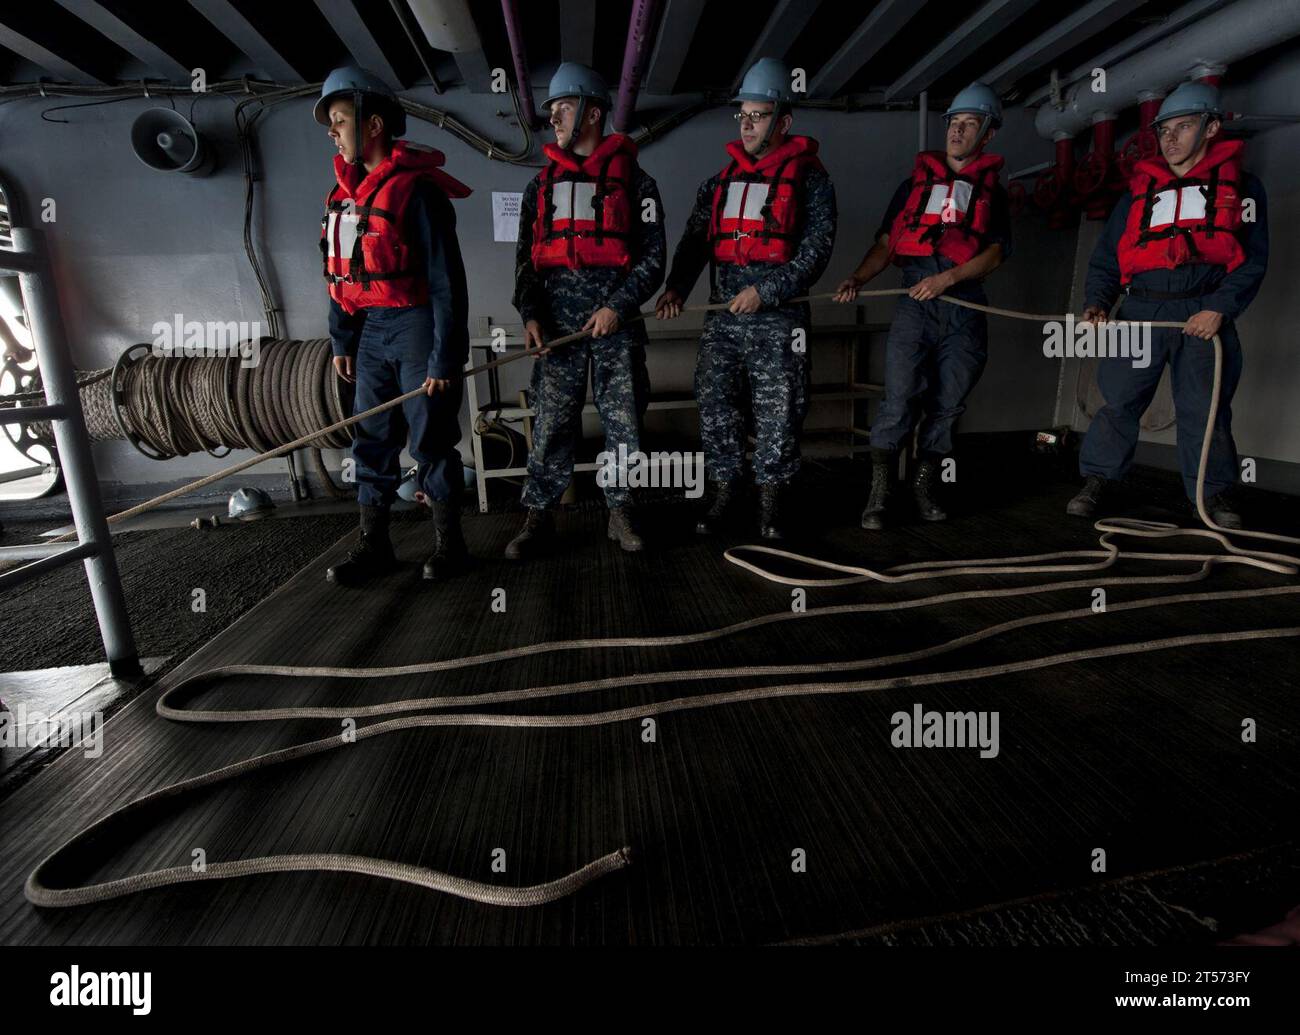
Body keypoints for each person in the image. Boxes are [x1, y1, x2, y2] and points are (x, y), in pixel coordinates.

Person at [1067, 81, 1267, 528]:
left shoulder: (1245, 190)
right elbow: (1107, 258)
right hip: (1140, 311)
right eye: (1164, 130)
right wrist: (1097, 303)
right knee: (1117, 403)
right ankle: (1100, 481)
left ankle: (1212, 495)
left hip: (1203, 315)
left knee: (1207, 409)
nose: (1170, 138)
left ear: (1212, 128)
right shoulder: (1137, 194)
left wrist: (1220, 308)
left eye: (1183, 127)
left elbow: (1252, 261)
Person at [657, 57, 836, 540]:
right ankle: (726, 495)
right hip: (723, 320)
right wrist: (676, 287)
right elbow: (695, 242)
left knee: (779, 410)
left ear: (784, 121)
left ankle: (772, 506)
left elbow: (817, 252)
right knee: (715, 402)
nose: (748, 124)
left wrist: (767, 291)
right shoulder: (717, 183)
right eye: (743, 115)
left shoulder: (811, 182)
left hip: (780, 321)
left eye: (758, 115)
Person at [315, 66, 473, 585]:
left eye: (340, 121)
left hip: (418, 324)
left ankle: (451, 546)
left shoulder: (418, 194)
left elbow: (447, 282)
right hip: (370, 331)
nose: (334, 133)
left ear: (374, 124)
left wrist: (445, 356)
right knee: (372, 439)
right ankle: (375, 546)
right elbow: (342, 272)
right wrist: (342, 337)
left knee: (430, 440)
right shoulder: (344, 197)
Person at [505, 62, 666, 560]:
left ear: (593, 114)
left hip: (617, 328)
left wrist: (618, 306)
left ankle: (622, 512)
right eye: (551, 110)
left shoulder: (639, 186)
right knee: (552, 422)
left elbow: (654, 259)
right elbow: (524, 266)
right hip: (557, 331)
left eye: (563, 108)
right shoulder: (539, 189)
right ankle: (539, 515)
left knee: (625, 422)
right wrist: (530, 316)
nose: (554, 118)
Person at [835, 82, 1011, 530]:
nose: (958, 131)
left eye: (970, 124)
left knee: (948, 402)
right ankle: (879, 495)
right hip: (915, 301)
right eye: (954, 122)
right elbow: (885, 245)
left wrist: (949, 278)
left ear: (987, 135)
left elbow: (995, 252)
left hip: (965, 305)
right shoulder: (911, 186)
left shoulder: (994, 194)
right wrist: (858, 277)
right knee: (899, 399)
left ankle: (925, 487)